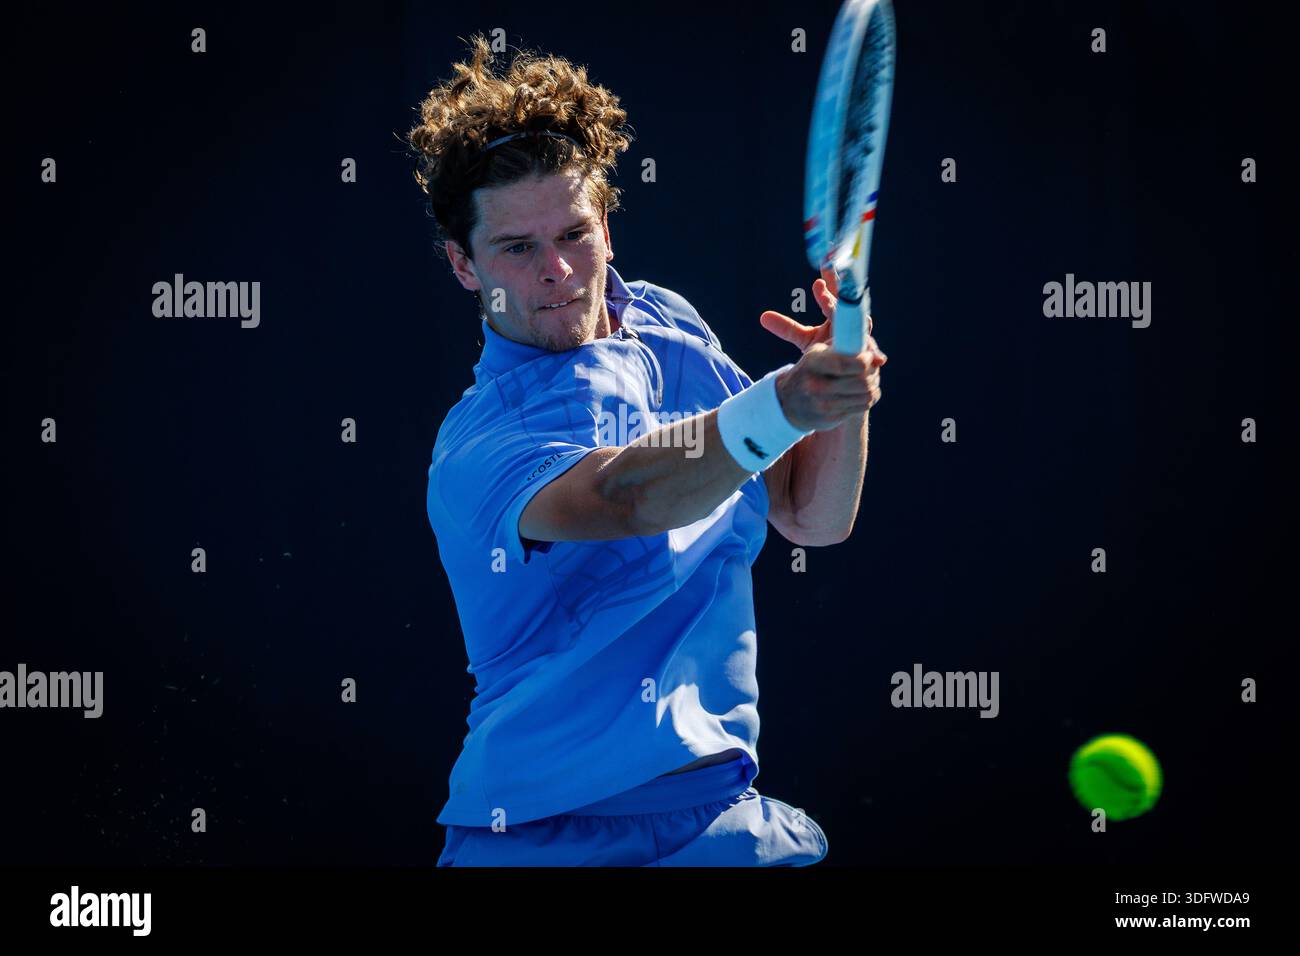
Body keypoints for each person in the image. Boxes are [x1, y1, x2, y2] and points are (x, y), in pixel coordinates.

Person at [408, 35, 886, 866]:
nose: (557, 269)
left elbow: (813, 515)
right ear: (462, 265)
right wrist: (784, 401)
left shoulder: (670, 327)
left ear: (608, 230)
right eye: (516, 249)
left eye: (574, 233)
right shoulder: (480, 446)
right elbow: (628, 498)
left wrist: (837, 394)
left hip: (718, 821)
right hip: (538, 839)